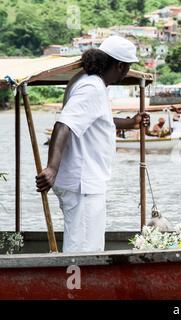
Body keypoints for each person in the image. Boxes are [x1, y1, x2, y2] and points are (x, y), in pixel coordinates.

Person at [35, 36, 150, 253]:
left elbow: (99, 119)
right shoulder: (92, 87)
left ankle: (80, 284)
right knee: (85, 248)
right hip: (83, 183)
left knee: (86, 243)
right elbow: (63, 125)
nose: (126, 73)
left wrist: (131, 123)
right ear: (120, 66)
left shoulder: (86, 81)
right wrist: (51, 168)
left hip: (85, 181)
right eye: (127, 68)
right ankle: (78, 287)